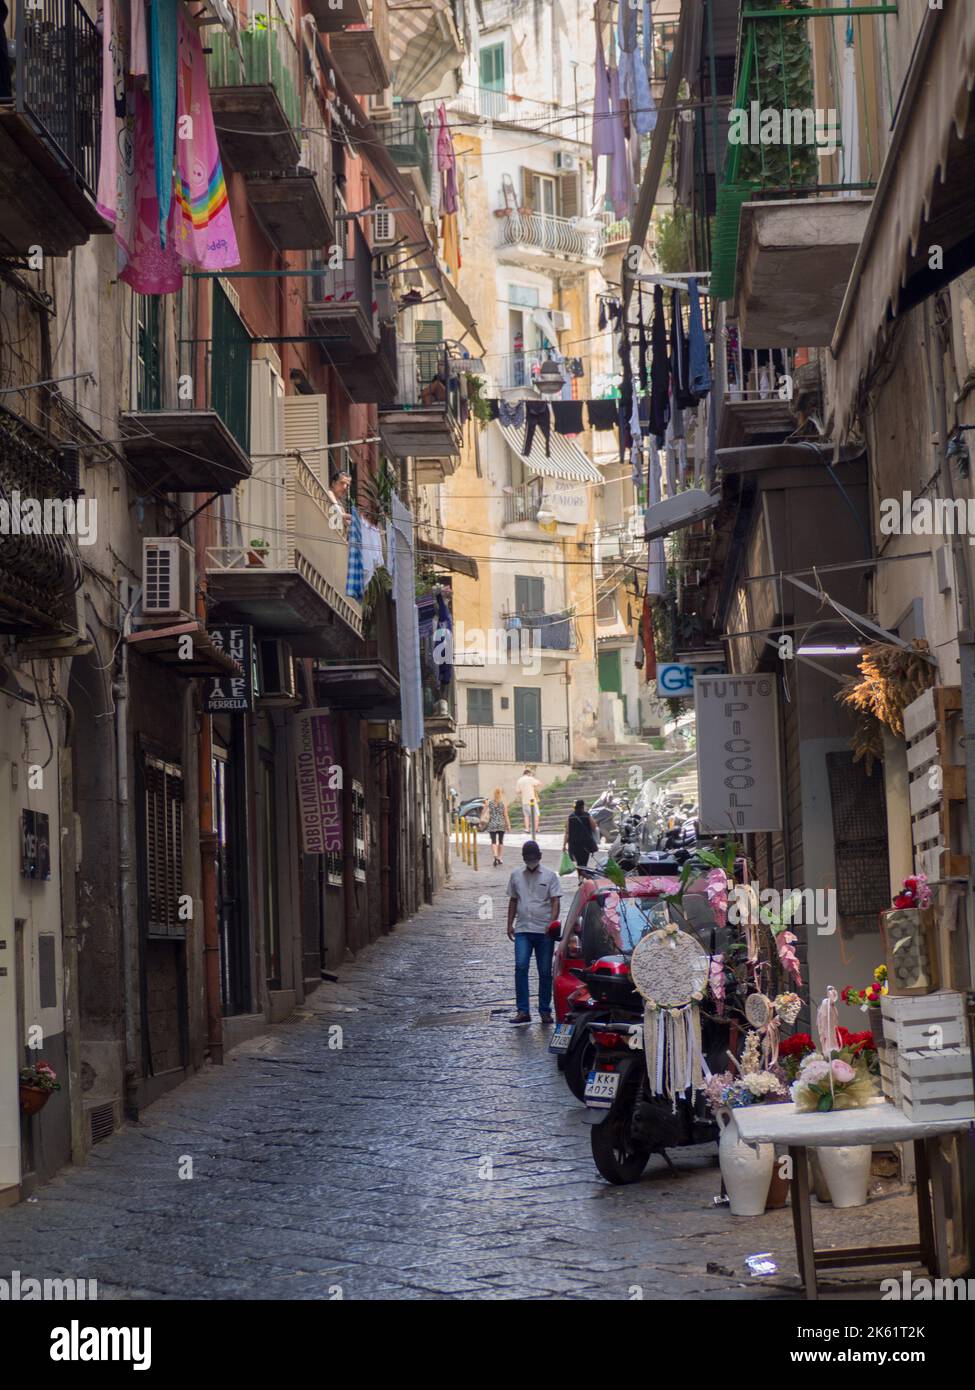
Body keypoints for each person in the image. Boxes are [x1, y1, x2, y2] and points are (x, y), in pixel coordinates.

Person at [506, 841, 560, 1025]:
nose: (531, 862)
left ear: (540, 857)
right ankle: (523, 1011)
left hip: (544, 931)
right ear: (524, 858)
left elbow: (555, 902)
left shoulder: (550, 876)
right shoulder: (515, 876)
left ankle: (545, 1010)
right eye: (528, 859)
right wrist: (509, 924)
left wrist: (552, 922)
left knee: (545, 972)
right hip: (522, 929)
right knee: (521, 968)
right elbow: (513, 900)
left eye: (534, 859)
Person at [563, 798, 599, 869]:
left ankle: (581, 877)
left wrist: (564, 845)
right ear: (583, 806)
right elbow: (594, 827)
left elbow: (567, 833)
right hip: (586, 844)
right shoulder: (587, 815)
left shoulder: (570, 817)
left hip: (574, 844)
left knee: (579, 863)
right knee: (584, 863)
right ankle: (583, 876)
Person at [483, 786, 511, 866]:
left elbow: (483, 812)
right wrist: (508, 825)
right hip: (501, 824)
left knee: (493, 841)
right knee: (501, 841)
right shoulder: (503, 804)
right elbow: (506, 815)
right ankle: (499, 857)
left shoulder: (489, 802)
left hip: (492, 824)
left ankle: (495, 856)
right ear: (501, 794)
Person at [515, 765, 542, 833]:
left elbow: (517, 791)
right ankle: (536, 829)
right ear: (528, 774)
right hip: (532, 800)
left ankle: (527, 829)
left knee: (526, 815)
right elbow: (539, 783)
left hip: (524, 801)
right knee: (536, 814)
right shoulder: (530, 779)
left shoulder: (519, 780)